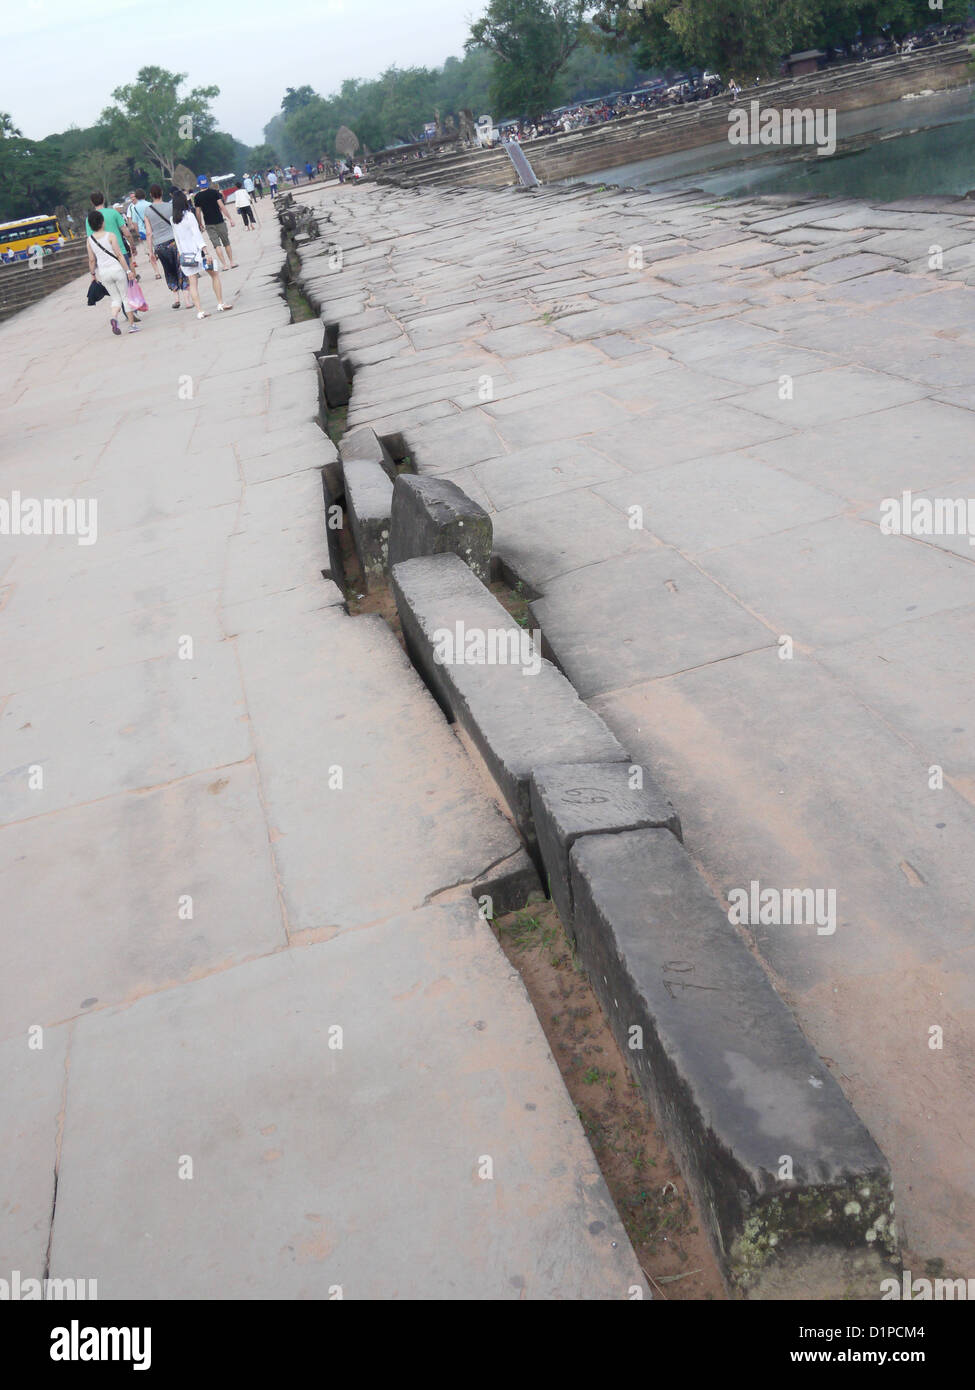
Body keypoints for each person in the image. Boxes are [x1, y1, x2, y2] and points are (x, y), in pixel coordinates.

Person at [171, 188, 233, 319]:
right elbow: (196, 235)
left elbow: (177, 239)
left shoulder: (173, 219)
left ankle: (200, 311)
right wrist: (206, 251)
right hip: (198, 253)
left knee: (192, 283)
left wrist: (181, 254)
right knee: (215, 275)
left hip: (186, 256)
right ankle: (220, 303)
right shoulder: (189, 215)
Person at [87, 209, 139, 335]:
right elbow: (119, 255)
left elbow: (91, 259)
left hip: (104, 273)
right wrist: (128, 271)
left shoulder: (89, 240)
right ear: (102, 222)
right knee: (125, 297)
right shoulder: (110, 236)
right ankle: (132, 325)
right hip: (117, 269)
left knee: (115, 299)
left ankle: (114, 318)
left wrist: (93, 275)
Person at [143, 184, 192, 310]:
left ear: (150, 195)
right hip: (174, 242)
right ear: (162, 192)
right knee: (181, 268)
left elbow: (149, 232)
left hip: (160, 246)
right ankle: (187, 300)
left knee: (169, 270)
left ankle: (176, 298)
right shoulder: (170, 206)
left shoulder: (148, 211)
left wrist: (151, 252)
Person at [192, 176, 237, 273]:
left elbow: (198, 212)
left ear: (199, 185)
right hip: (220, 221)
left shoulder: (197, 197)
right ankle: (232, 262)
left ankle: (224, 265)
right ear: (207, 183)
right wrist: (230, 218)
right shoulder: (214, 192)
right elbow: (222, 206)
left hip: (209, 223)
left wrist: (200, 224)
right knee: (226, 243)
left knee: (217, 245)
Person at [86, 192, 132, 272]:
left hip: (103, 258)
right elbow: (126, 232)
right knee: (126, 280)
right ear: (104, 200)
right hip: (120, 252)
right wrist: (132, 245)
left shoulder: (89, 219)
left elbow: (90, 241)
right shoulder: (114, 212)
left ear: (92, 202)